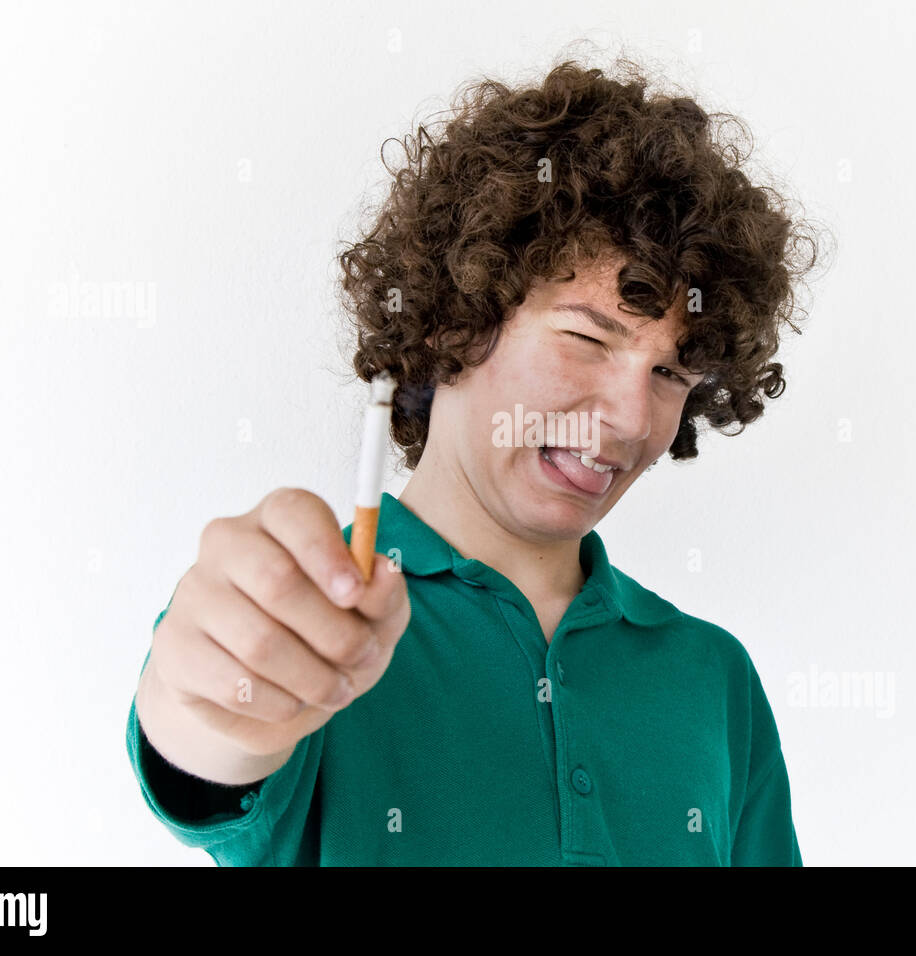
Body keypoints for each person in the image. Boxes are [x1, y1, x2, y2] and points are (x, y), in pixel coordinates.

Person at [127, 54, 821, 866]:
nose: (634, 417)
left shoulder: (713, 676)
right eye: (588, 338)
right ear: (451, 326)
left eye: (670, 374)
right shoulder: (310, 626)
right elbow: (204, 737)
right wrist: (213, 695)